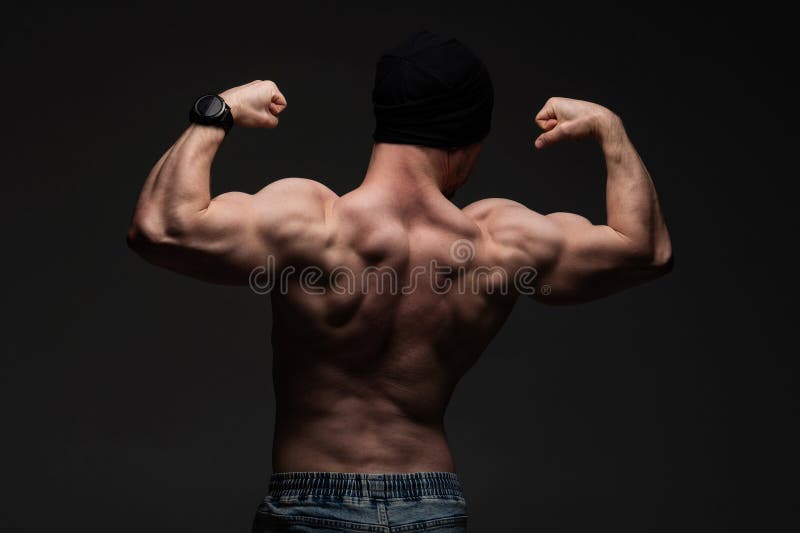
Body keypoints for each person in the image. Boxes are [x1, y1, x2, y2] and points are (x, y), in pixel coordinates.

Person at [127, 29, 673, 533]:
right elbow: (646, 250)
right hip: (431, 505)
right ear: (467, 142)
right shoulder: (499, 243)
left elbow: (159, 227)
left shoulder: (310, 223)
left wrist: (217, 111)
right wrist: (611, 131)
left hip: (309, 500)